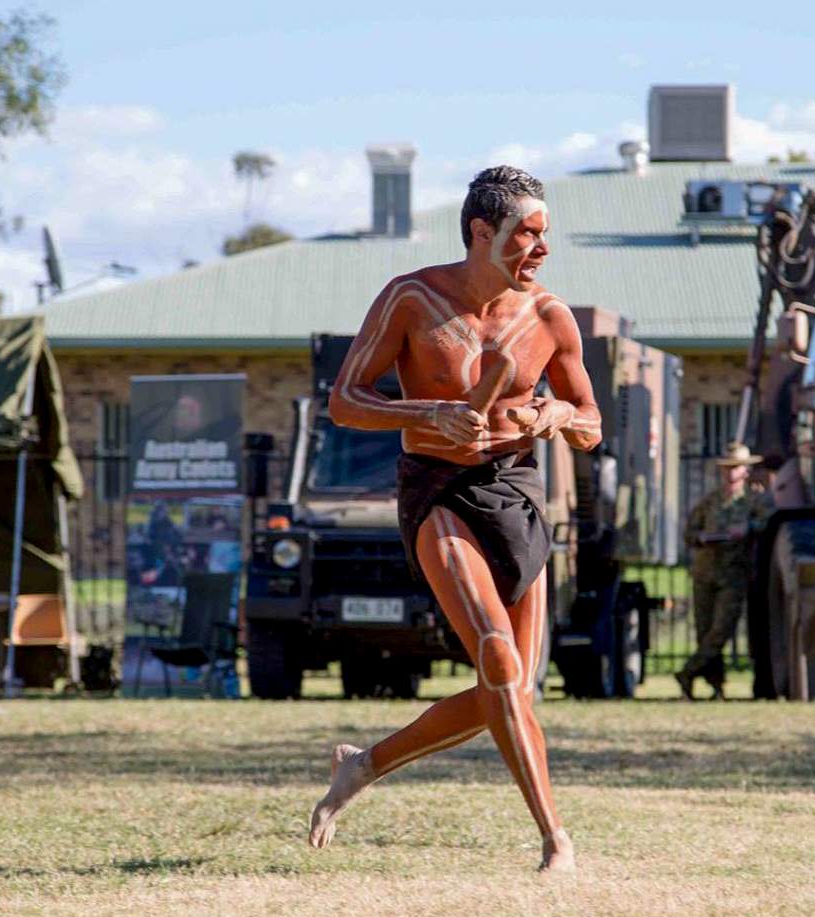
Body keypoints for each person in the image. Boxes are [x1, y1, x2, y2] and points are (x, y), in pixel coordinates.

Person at [306, 166, 602, 873]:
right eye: (527, 233)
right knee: (496, 657)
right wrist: (426, 412)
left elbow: (591, 422)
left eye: (544, 234)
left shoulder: (550, 318)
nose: (541, 247)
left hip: (517, 489)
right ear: (480, 232)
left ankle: (361, 765)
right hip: (438, 488)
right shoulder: (412, 298)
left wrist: (556, 413)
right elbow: (345, 400)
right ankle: (556, 838)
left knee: (512, 690)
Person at [675, 442, 773, 701]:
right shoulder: (710, 501)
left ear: (745, 471)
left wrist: (748, 528)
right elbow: (689, 533)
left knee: (721, 630)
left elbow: (768, 522)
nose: (731, 473)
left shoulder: (754, 501)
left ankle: (687, 671)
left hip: (734, 574)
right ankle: (715, 685)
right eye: (727, 468)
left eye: (736, 468)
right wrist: (703, 537)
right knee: (705, 631)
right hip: (705, 572)